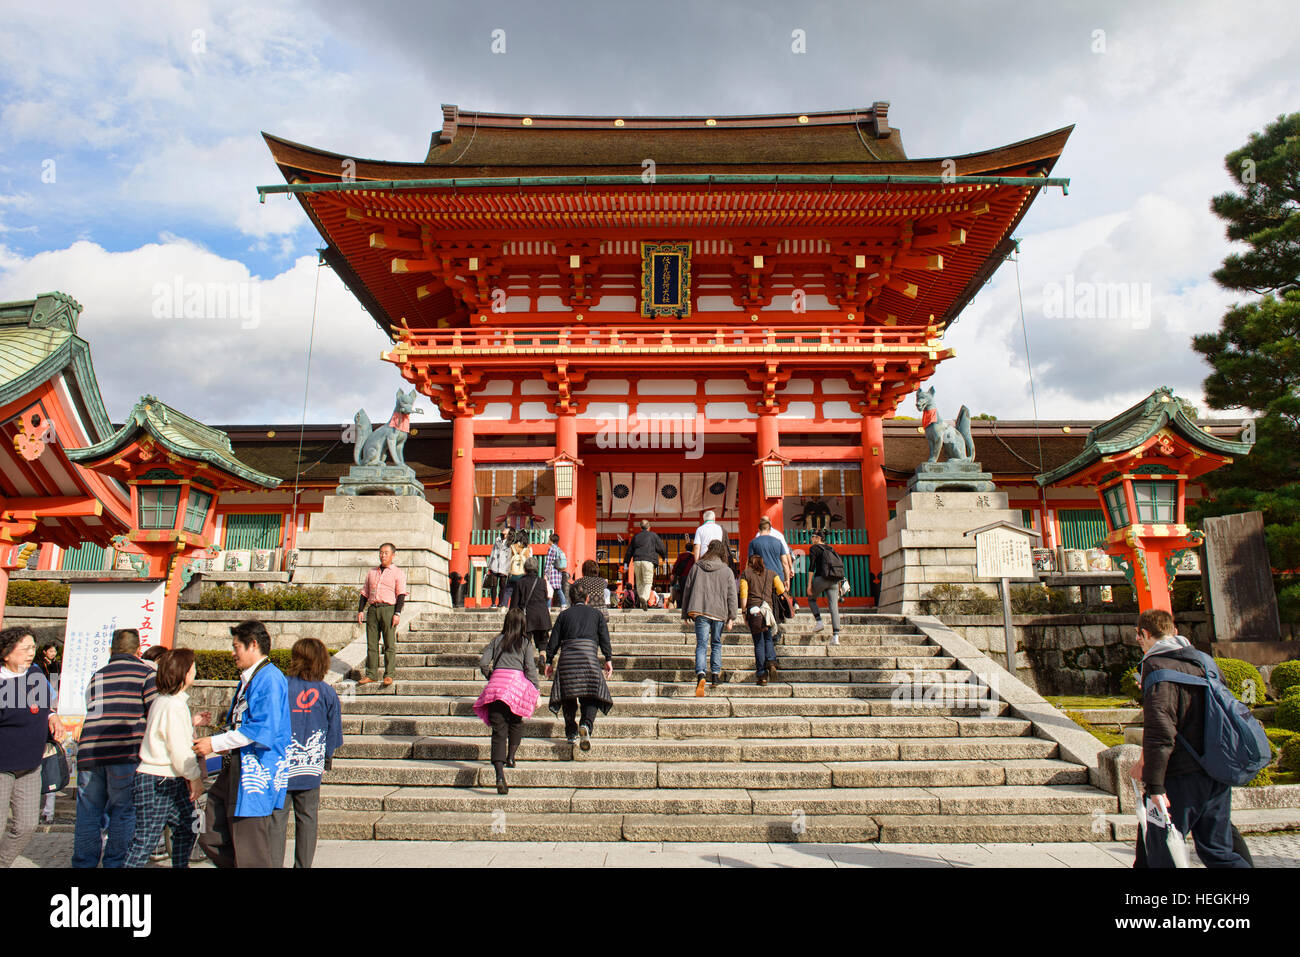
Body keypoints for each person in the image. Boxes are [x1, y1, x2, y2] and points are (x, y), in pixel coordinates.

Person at [1129, 608, 1251, 868]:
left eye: (1139, 636)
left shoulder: (1156, 665)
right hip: (1216, 767)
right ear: (1173, 631)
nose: (1139, 641)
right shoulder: (1203, 661)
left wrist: (1155, 786)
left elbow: (1161, 730)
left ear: (1145, 634)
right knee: (1218, 851)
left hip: (1180, 774)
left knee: (1161, 853)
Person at [193, 620, 291, 869]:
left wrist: (214, 743)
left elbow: (261, 729)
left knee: (250, 849)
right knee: (210, 834)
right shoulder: (250, 679)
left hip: (254, 773)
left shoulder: (269, 678)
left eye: (236, 646)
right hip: (235, 767)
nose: (233, 652)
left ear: (253, 645)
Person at [72, 627, 156, 868]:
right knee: (124, 811)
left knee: (88, 812)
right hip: (125, 753)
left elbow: (91, 707)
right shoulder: (147, 674)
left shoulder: (97, 676)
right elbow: (154, 713)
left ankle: (83, 864)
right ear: (139, 650)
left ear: (111, 649)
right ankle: (115, 863)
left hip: (90, 753)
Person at [124, 648, 203, 868]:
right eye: (193, 666)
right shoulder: (173, 705)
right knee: (145, 841)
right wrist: (194, 777)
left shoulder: (166, 701)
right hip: (158, 779)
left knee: (187, 826)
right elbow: (179, 749)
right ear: (184, 672)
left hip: (168, 778)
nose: (195, 671)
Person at [269, 638, 342, 868]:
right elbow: (334, 733)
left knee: (277, 821)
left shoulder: (282, 686)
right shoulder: (327, 692)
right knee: (308, 820)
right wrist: (325, 757)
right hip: (311, 766)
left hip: (281, 766)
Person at [1, 628, 63, 868]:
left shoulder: (35, 673)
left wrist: (52, 716)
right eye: (25, 648)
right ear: (6, 653)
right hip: (2, 764)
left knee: (27, 825)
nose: (31, 653)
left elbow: (47, 704)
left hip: (31, 763)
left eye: (32, 647)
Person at [473, 608, 541, 794]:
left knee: (498, 732)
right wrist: (536, 690)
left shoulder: (496, 641)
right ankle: (511, 756)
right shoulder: (526, 643)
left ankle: (499, 774)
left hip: (496, 688)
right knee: (516, 722)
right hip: (515, 688)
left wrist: (492, 677)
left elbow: (483, 663)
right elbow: (530, 669)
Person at [545, 590, 614, 749]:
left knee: (567, 697)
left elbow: (554, 640)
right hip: (589, 657)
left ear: (570, 599)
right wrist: (608, 658)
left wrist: (549, 661)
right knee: (592, 695)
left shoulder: (564, 615)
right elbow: (604, 638)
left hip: (567, 659)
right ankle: (586, 724)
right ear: (587, 598)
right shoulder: (597, 615)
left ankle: (571, 732)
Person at [679, 539, 738, 696]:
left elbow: (687, 589)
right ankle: (715, 675)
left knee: (701, 644)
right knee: (716, 643)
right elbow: (732, 595)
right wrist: (732, 616)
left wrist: (685, 612)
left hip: (700, 609)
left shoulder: (697, 567)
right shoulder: (727, 571)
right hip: (719, 612)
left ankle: (700, 674)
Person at [355, 542, 407, 686]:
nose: (382, 555)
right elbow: (364, 593)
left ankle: (389, 674)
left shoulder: (398, 573)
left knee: (389, 643)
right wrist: (360, 610)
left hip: (388, 609)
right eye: (381, 553)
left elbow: (401, 594)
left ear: (393, 555)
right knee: (371, 643)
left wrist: (397, 613)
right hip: (373, 608)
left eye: (386, 553)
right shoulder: (372, 572)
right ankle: (371, 673)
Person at [740, 553, 787, 685]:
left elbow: (744, 593)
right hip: (767, 610)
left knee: (758, 642)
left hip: (754, 611)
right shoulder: (772, 574)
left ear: (750, 564)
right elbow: (781, 589)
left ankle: (762, 674)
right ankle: (772, 661)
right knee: (768, 638)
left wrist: (744, 612)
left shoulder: (746, 575)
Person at [509, 557, 552, 671]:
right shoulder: (542, 582)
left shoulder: (520, 583)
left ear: (525, 568)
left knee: (526, 640)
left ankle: (527, 663)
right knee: (543, 640)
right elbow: (545, 596)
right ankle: (542, 657)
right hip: (542, 615)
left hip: (527, 616)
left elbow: (515, 603)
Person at [806, 530, 845, 645]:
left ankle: (819, 622)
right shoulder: (831, 548)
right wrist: (838, 586)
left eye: (812, 536)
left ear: (818, 538)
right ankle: (836, 636)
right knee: (833, 606)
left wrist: (809, 585)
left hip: (821, 578)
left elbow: (812, 567)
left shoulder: (814, 548)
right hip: (833, 580)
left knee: (812, 599)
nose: (811, 539)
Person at [624, 519, 666, 609]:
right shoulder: (653, 536)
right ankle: (644, 598)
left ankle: (641, 599)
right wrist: (664, 556)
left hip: (637, 561)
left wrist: (626, 564)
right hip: (648, 560)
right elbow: (661, 547)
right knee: (647, 582)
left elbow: (629, 551)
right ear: (649, 527)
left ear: (640, 528)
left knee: (639, 582)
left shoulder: (636, 537)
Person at [501, 532, 530, 606]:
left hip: (513, 573)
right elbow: (527, 561)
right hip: (522, 573)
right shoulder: (526, 549)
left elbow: (507, 559)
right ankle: (522, 606)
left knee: (508, 590)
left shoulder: (512, 547)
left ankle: (504, 606)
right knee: (522, 591)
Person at [486, 529, 513, 607]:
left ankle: (500, 603)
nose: (503, 533)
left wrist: (509, 569)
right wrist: (489, 565)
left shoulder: (510, 543)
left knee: (502, 585)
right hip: (495, 564)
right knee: (493, 585)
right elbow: (492, 552)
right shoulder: (497, 540)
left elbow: (510, 556)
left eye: (506, 532)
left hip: (504, 566)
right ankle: (493, 602)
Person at [544, 532, 569, 609]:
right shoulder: (558, 549)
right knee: (558, 589)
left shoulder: (551, 549)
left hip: (552, 572)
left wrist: (545, 573)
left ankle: (548, 607)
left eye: (549, 539)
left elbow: (548, 562)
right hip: (558, 572)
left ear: (551, 540)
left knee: (549, 589)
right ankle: (563, 604)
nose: (548, 540)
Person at [669, 544, 696, 610]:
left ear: (685, 548)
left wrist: (672, 573)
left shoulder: (681, 555)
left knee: (681, 591)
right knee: (689, 591)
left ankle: (680, 605)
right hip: (690, 577)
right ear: (692, 549)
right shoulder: (693, 557)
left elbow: (676, 565)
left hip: (682, 576)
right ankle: (688, 606)